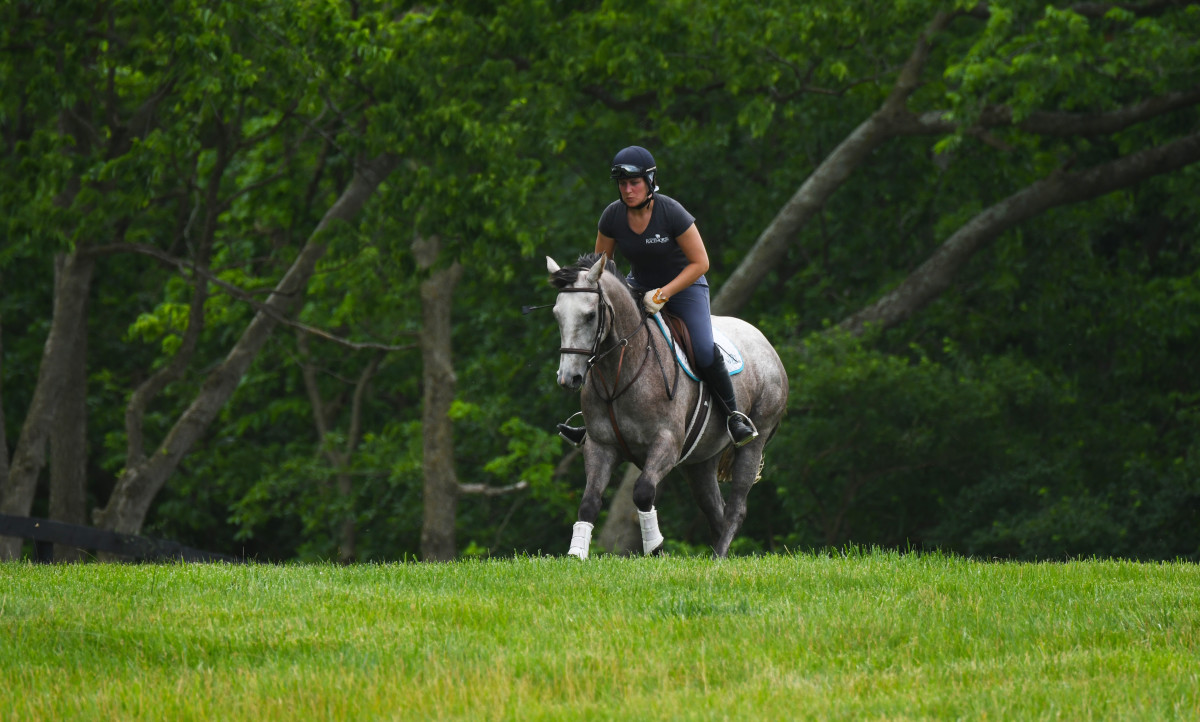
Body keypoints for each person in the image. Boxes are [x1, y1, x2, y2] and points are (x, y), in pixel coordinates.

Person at [557, 145, 758, 448]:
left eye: (634, 183)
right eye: (622, 184)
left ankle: (733, 416)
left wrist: (664, 294)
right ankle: (592, 423)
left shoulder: (671, 212)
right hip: (637, 287)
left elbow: (701, 263)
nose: (627, 190)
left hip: (686, 288)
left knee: (703, 350)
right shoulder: (612, 216)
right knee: (603, 337)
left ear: (650, 181)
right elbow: (601, 269)